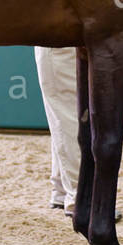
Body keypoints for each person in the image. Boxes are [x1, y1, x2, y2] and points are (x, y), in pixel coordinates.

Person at [34, 46, 81, 215]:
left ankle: (61, 190)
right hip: (61, 43)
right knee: (69, 114)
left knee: (63, 116)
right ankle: (80, 198)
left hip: (60, 45)